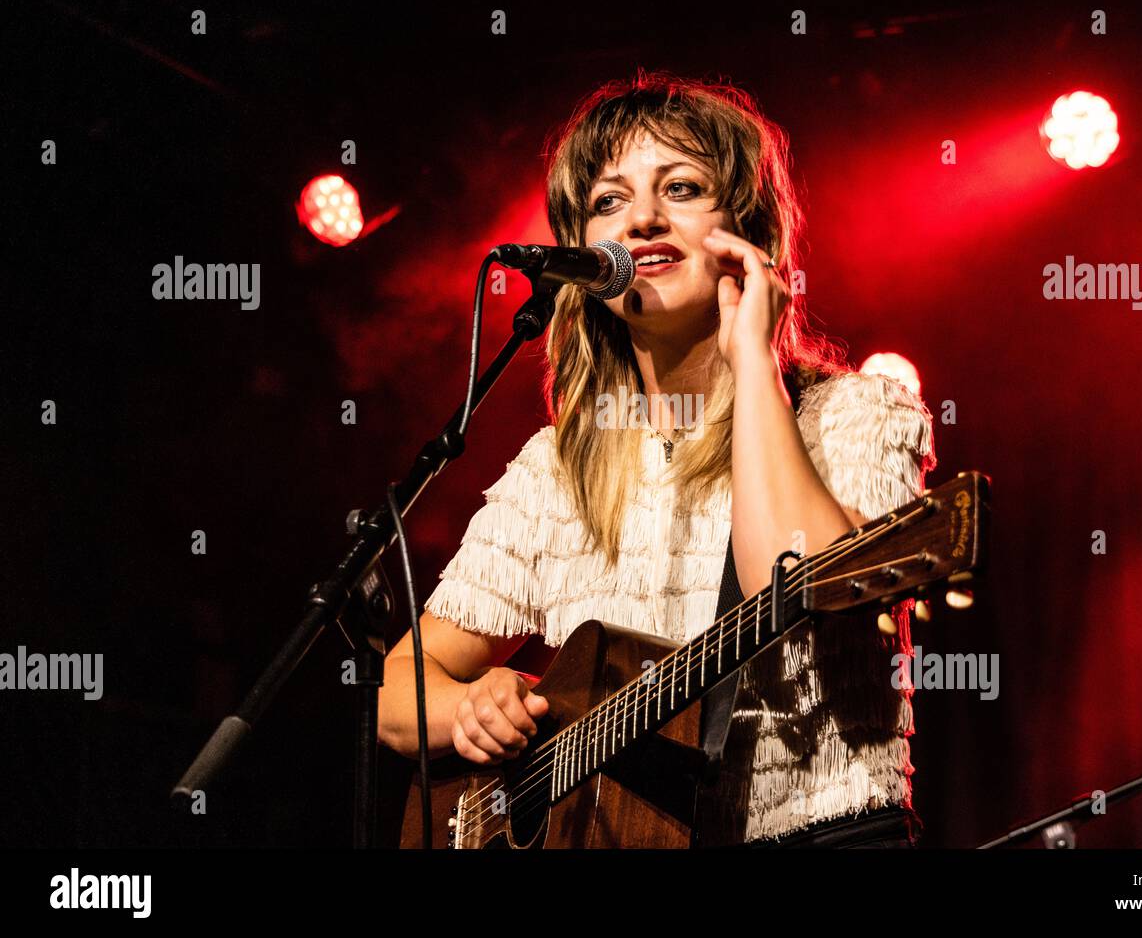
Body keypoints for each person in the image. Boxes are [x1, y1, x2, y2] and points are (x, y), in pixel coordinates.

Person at [377, 69, 936, 848]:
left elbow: (797, 575)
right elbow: (397, 699)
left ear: (748, 230)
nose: (641, 219)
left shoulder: (854, 414)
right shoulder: (555, 472)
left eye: (680, 187)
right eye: (609, 201)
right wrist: (471, 709)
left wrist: (752, 361)